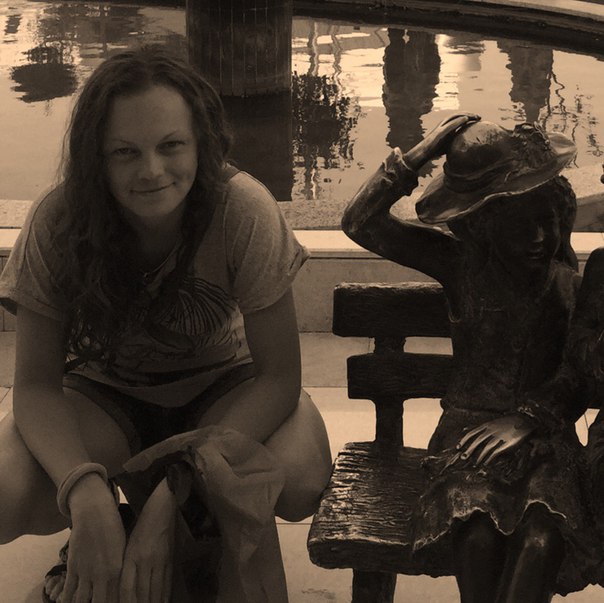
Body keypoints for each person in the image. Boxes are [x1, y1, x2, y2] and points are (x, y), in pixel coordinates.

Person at [0, 45, 332, 603]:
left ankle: (182, 530)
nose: (152, 170)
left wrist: (177, 487)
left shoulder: (243, 209)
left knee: (299, 476)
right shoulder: (57, 220)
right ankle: (110, 526)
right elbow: (34, 386)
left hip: (222, 389)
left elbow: (278, 377)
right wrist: (84, 489)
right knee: (4, 491)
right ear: (95, 158)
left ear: (201, 142)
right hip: (104, 397)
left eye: (171, 145)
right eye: (124, 152)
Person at [341, 114, 599, 601]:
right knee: (478, 538)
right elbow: (361, 223)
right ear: (485, 227)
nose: (539, 238)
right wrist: (418, 156)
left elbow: (579, 376)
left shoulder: (568, 288)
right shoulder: (462, 269)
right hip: (467, 440)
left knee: (541, 540)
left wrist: (528, 418)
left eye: (548, 221)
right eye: (521, 226)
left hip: (546, 442)